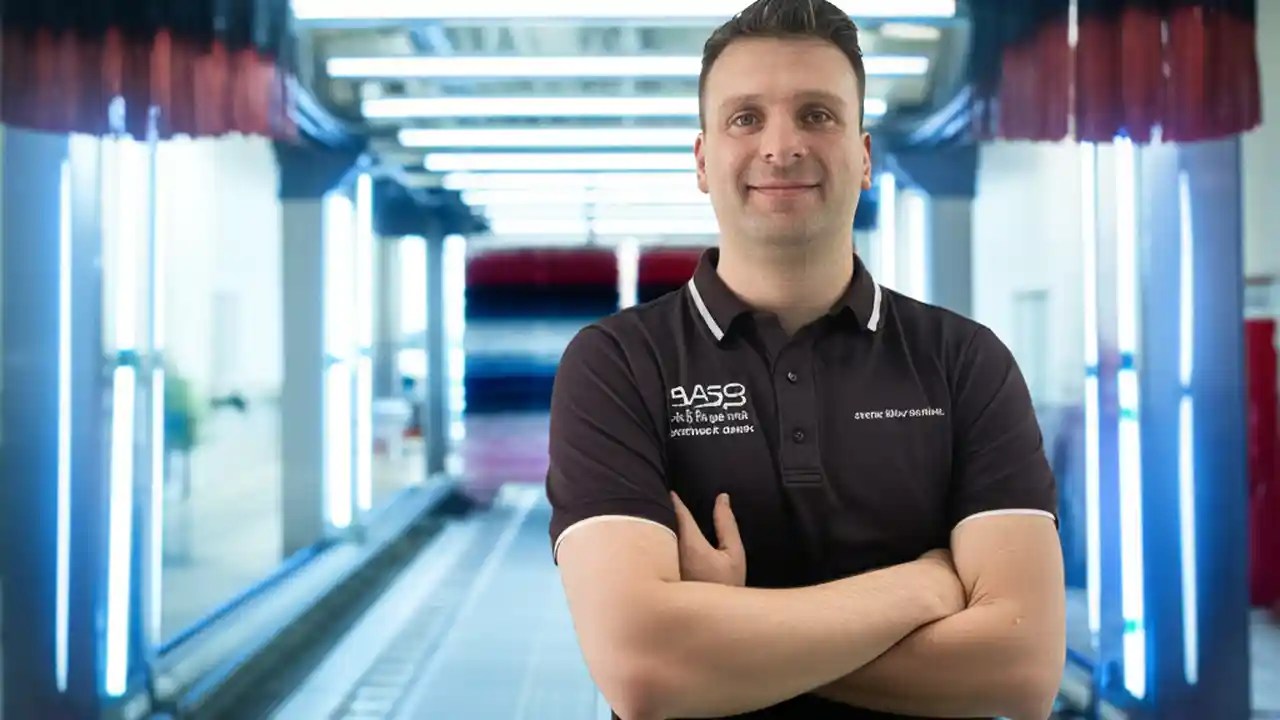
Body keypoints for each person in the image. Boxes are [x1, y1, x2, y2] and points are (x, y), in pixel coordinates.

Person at [545, 1, 1066, 718]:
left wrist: (725, 632)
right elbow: (644, 670)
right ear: (702, 159)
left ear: (864, 156)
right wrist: (922, 589)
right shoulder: (617, 365)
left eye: (817, 114)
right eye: (745, 118)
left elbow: (1021, 668)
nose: (781, 146)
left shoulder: (964, 362)